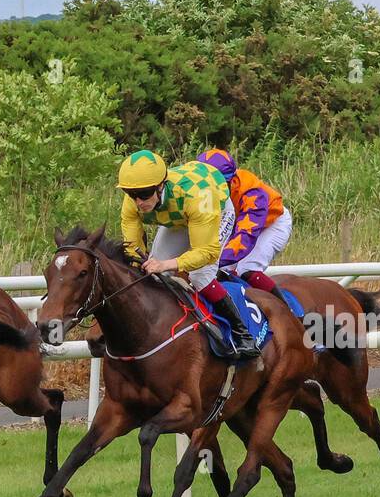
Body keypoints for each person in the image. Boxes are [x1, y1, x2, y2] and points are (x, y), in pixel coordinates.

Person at [116, 149, 260, 360]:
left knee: (199, 275)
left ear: (160, 185)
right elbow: (132, 247)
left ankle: (242, 334)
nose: (138, 201)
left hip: (212, 208)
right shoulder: (134, 200)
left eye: (144, 194)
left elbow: (206, 253)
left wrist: (167, 264)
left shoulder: (198, 196)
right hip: (178, 217)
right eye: (131, 194)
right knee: (154, 275)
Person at [196, 149, 292, 292]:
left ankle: (287, 308)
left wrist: (209, 260)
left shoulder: (253, 195)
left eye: (217, 186)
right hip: (237, 223)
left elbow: (244, 238)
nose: (211, 191)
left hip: (271, 224)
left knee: (247, 269)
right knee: (218, 268)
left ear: (231, 181)